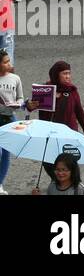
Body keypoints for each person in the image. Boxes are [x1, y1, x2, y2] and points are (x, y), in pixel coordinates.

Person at [0, 50, 22, 193]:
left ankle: (0, 183)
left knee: (6, 153)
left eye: (9, 61)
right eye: (6, 62)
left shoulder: (15, 78)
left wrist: (18, 104)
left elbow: (20, 98)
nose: (9, 64)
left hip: (10, 118)